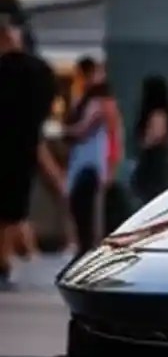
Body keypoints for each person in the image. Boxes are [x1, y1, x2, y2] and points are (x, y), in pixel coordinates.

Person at [0, 16, 56, 285]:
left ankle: (5, 262)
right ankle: (6, 262)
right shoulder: (40, 70)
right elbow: (45, 108)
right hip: (24, 148)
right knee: (12, 211)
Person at [62, 71, 112, 259]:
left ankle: (85, 247)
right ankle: (84, 245)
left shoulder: (97, 104)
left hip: (88, 165)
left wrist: (65, 131)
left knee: (83, 207)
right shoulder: (91, 103)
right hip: (86, 163)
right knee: (83, 207)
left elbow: (83, 128)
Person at [131, 75, 168, 204]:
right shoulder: (166, 114)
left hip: (152, 162)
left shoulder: (157, 114)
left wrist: (144, 141)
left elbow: (154, 137)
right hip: (158, 162)